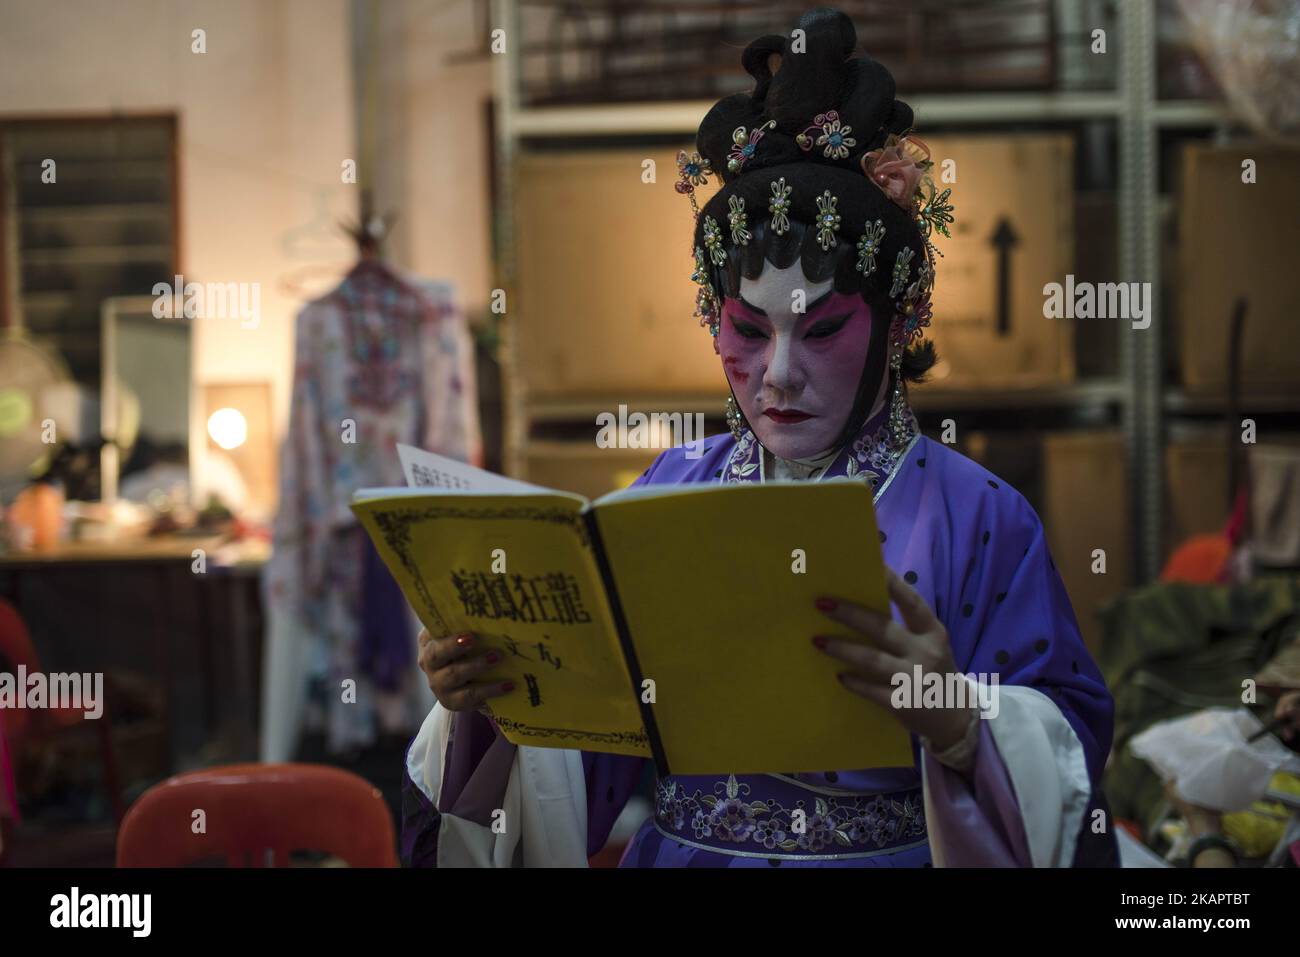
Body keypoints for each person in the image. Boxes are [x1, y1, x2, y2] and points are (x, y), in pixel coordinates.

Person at [403, 6, 1115, 867]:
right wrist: (487, 699)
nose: (776, 374)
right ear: (711, 317)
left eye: (820, 333)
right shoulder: (664, 495)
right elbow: (576, 756)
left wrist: (958, 720)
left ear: (897, 326)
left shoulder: (984, 519)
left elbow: (1072, 755)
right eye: (745, 329)